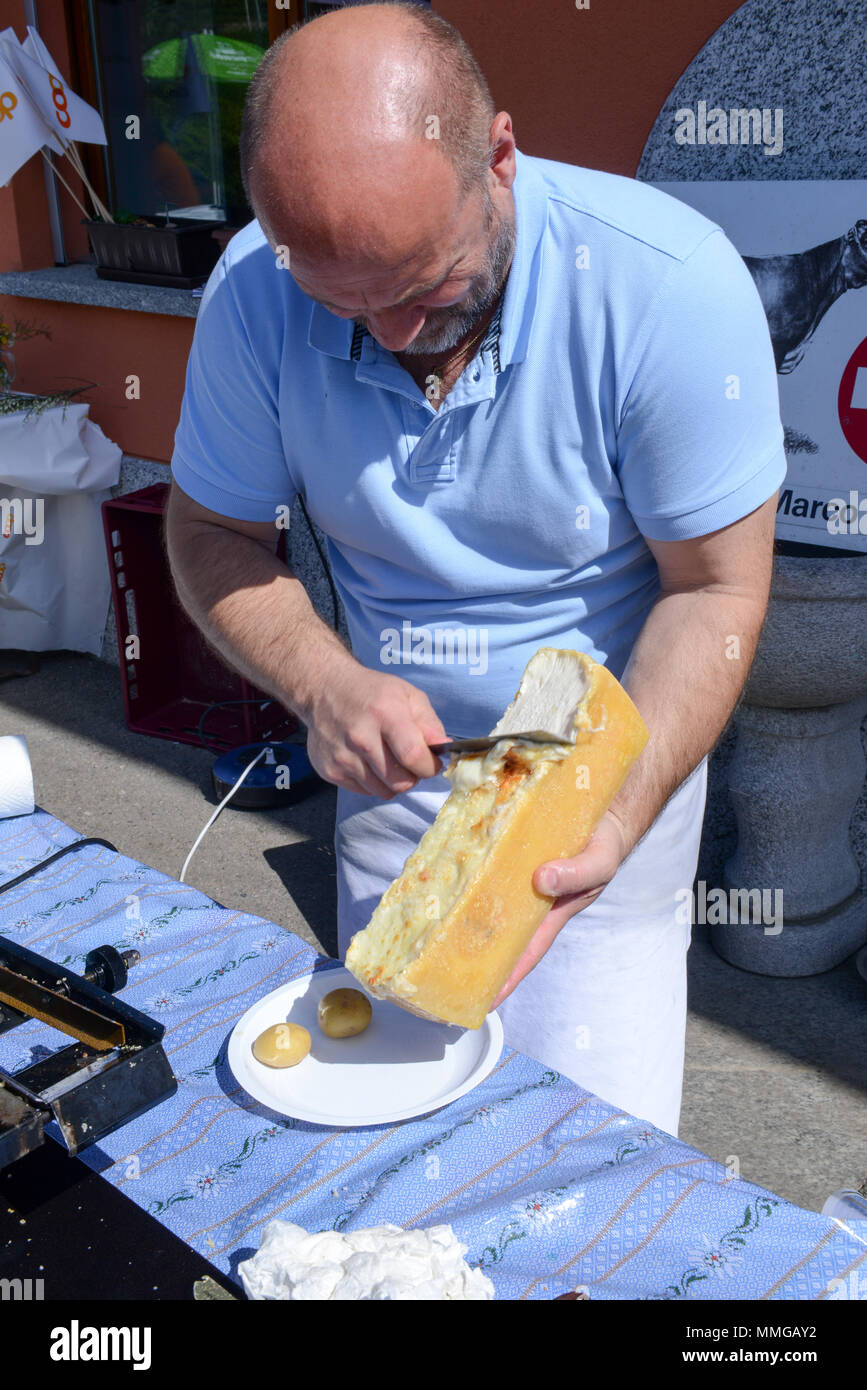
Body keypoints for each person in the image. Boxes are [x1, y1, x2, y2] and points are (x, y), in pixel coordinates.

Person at [166, 3, 786, 1135]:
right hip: (394, 802)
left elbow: (717, 591)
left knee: (588, 1151)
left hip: (607, 794)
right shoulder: (256, 288)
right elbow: (210, 534)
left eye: (426, 284)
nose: (395, 335)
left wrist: (613, 806)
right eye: (343, 306)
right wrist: (324, 684)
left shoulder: (668, 285)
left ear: (498, 155)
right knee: (400, 1157)